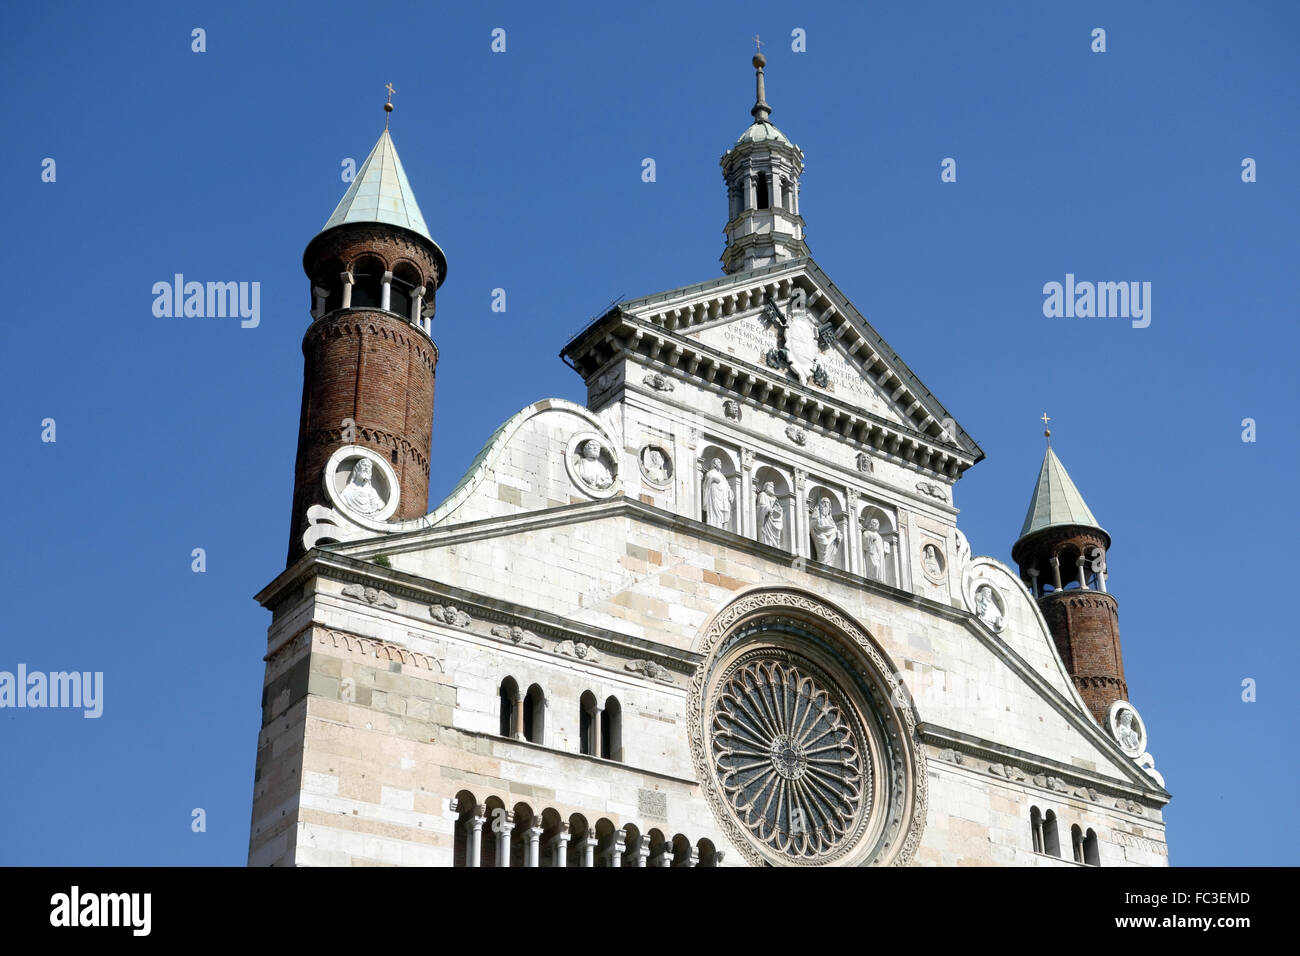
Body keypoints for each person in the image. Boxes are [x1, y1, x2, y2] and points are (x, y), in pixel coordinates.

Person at [703, 458, 734, 527]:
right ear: (714, 464)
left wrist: (730, 491)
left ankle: (722, 526)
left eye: (720, 462)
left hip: (723, 497)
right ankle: (714, 523)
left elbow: (727, 485)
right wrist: (712, 479)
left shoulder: (722, 476)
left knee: (724, 511)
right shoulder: (710, 473)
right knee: (715, 510)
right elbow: (706, 482)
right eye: (718, 462)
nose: (720, 463)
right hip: (715, 495)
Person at [811, 497, 839, 564]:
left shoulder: (830, 520)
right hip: (819, 534)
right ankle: (822, 561)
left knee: (831, 541)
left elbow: (834, 528)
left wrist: (837, 534)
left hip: (830, 537)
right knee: (824, 542)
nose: (826, 504)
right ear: (820, 505)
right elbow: (815, 526)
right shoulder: (817, 516)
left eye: (827, 503)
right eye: (824, 502)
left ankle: (828, 562)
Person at [756, 481, 784, 546]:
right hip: (766, 520)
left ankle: (774, 544)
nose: (772, 488)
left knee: (776, 532)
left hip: (773, 519)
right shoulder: (762, 494)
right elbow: (761, 506)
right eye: (770, 487)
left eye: (773, 487)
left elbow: (779, 509)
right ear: (766, 487)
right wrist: (767, 509)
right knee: (766, 534)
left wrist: (779, 510)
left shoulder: (774, 498)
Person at [862, 516, 889, 582]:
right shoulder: (867, 533)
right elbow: (864, 544)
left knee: (879, 567)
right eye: (874, 523)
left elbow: (880, 545)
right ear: (871, 525)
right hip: (872, 552)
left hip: (879, 554)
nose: (876, 524)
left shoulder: (879, 536)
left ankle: (879, 579)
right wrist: (870, 537)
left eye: (877, 523)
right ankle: (872, 579)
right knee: (875, 565)